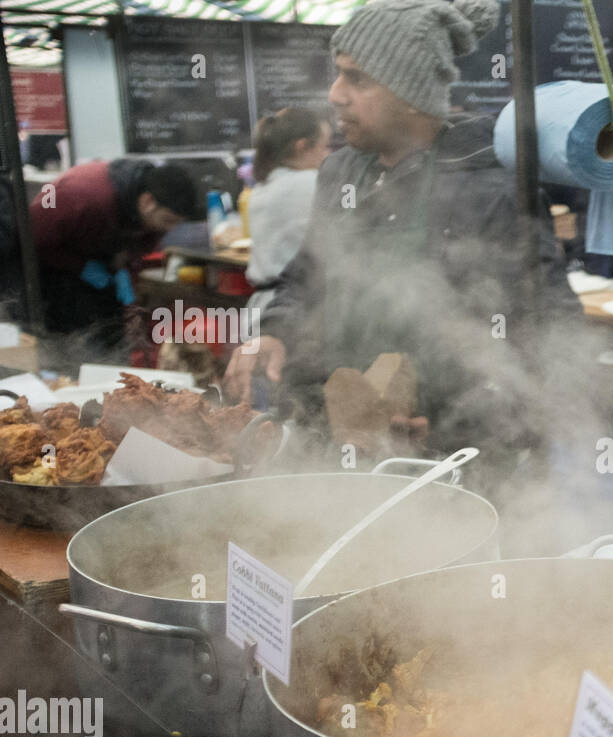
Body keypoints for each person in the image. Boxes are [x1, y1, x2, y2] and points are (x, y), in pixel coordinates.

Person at [222, 0, 575, 482]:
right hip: (337, 436)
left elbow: (550, 330)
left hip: (449, 462)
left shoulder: (491, 184)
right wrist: (276, 331)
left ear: (411, 92)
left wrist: (462, 423)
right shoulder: (341, 172)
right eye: (337, 75)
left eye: (357, 79)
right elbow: (305, 276)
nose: (335, 94)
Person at [29, 159, 199, 361]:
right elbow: (32, 239)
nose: (168, 229)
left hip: (99, 262)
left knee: (112, 341)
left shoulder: (154, 214)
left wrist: (126, 270)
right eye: (168, 221)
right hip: (52, 265)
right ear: (147, 202)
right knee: (69, 345)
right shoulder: (83, 195)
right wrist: (80, 267)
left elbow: (137, 248)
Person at [245, 108, 332, 317]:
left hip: (260, 307)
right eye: (324, 146)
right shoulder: (309, 183)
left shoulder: (264, 185)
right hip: (292, 311)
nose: (328, 154)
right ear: (302, 147)